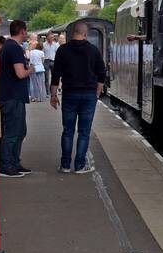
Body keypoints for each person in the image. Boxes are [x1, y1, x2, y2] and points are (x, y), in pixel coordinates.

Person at [49, 19, 107, 174]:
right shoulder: (93, 50)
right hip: (88, 94)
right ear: (85, 34)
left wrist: (53, 95)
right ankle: (80, 165)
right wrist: (98, 90)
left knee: (67, 130)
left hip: (69, 94)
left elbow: (56, 75)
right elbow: (101, 72)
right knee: (84, 131)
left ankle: (65, 165)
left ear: (72, 33)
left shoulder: (63, 50)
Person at [0, 19, 34, 178]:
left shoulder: (7, 46)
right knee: (13, 132)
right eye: (26, 31)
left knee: (19, 131)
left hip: (10, 95)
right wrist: (30, 70)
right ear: (22, 31)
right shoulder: (15, 49)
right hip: (13, 96)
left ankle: (14, 162)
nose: (26, 34)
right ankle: (6, 165)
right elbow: (20, 73)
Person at [28, 37, 46, 103]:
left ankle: (34, 97)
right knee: (41, 83)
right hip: (40, 68)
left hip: (33, 68)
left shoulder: (31, 52)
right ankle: (41, 97)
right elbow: (43, 61)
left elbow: (30, 60)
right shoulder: (41, 52)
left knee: (33, 83)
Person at [42, 32, 60, 97]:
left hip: (53, 61)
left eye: (52, 37)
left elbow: (58, 54)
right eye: (50, 37)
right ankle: (47, 92)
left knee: (54, 77)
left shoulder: (55, 45)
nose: (51, 39)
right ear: (47, 38)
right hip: (46, 61)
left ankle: (52, 91)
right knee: (46, 78)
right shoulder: (44, 45)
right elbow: (41, 53)